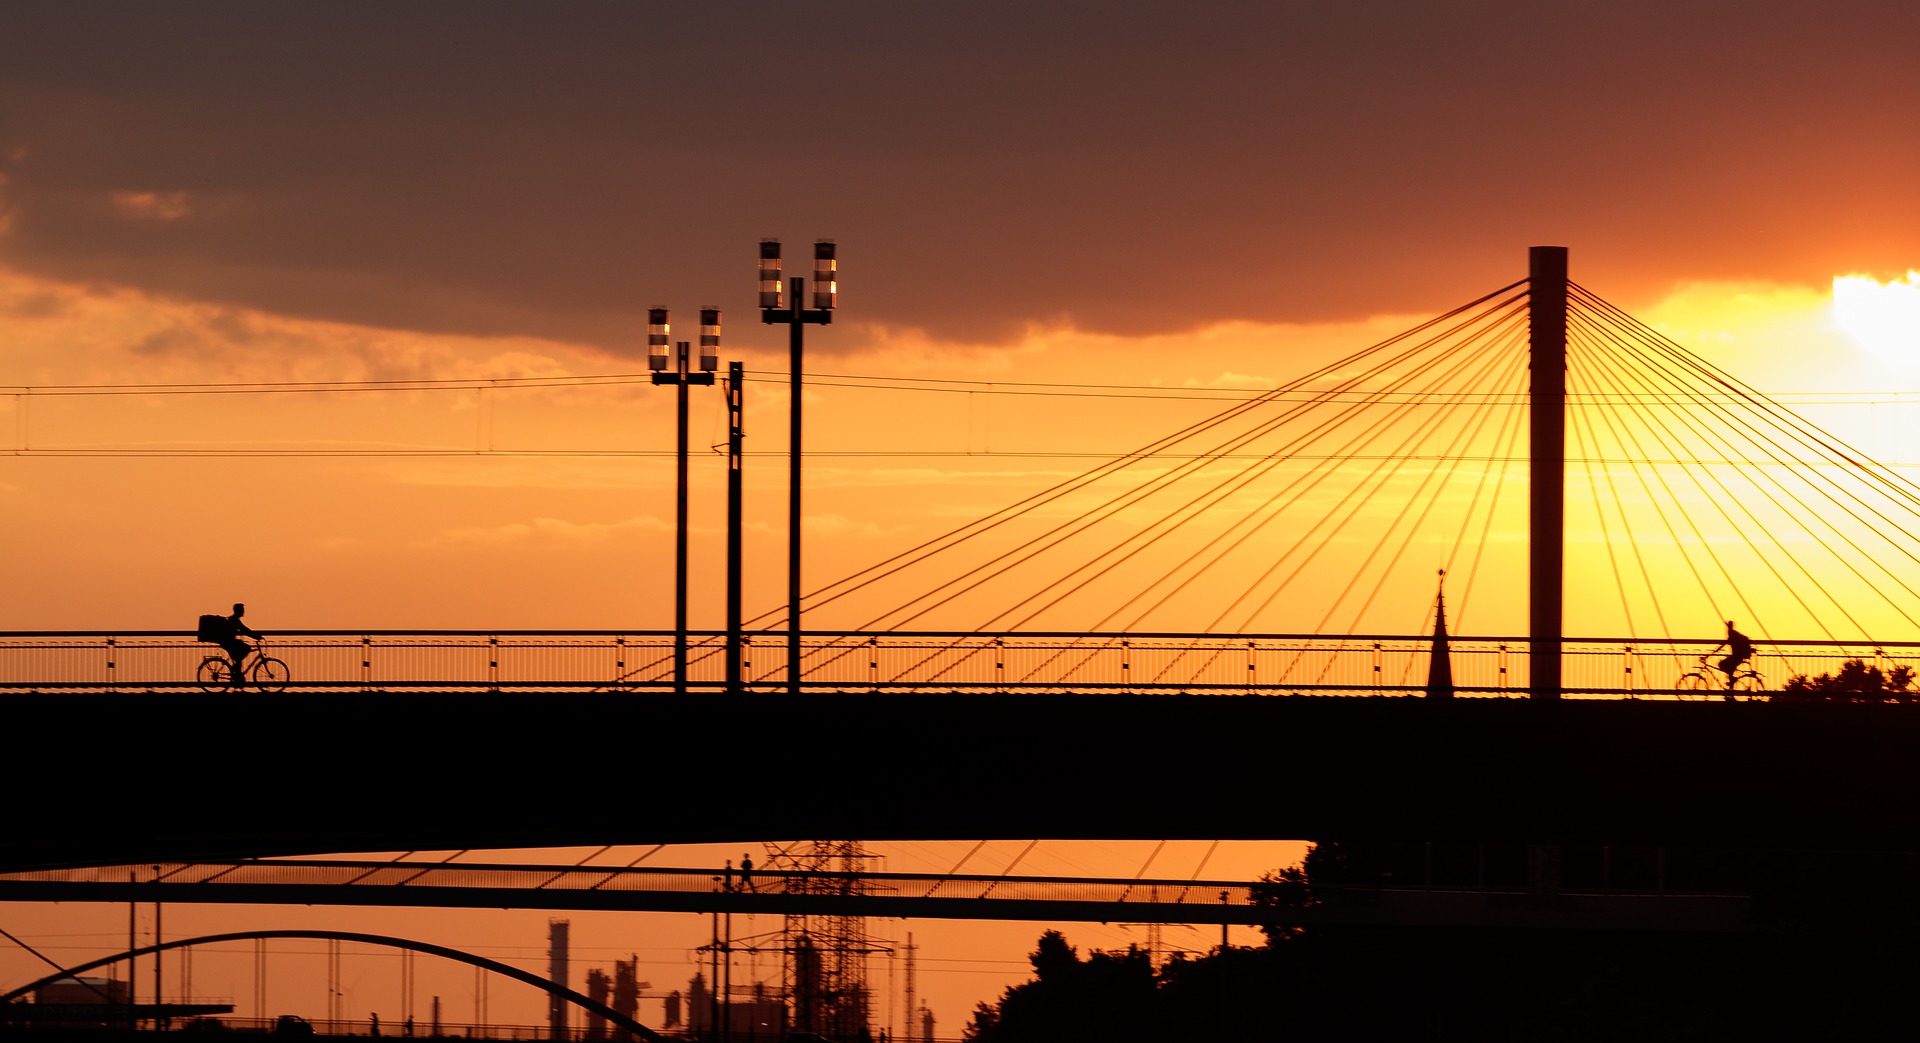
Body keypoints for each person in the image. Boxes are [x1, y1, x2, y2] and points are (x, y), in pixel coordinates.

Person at [218, 602, 259, 689]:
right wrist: (256, 636)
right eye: (242, 610)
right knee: (246, 648)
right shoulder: (235, 620)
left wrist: (254, 635)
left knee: (240, 654)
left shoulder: (233, 619)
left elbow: (244, 629)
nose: (244, 611)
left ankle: (238, 676)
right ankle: (236, 672)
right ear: (238, 611)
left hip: (228, 642)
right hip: (229, 642)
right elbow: (244, 629)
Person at [1712, 620, 1754, 693]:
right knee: (1729, 668)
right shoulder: (1733, 634)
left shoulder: (1732, 634)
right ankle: (1731, 686)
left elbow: (1724, 643)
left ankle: (1732, 681)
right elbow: (1725, 643)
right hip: (1737, 657)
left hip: (1737, 657)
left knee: (1721, 664)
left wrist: (1714, 651)